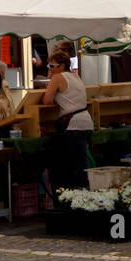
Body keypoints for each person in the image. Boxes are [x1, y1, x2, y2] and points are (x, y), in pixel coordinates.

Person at [41, 51, 94, 191]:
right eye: (49, 66)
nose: (50, 69)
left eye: (52, 66)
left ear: (62, 65)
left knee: (74, 168)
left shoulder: (57, 77)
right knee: (81, 164)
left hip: (73, 126)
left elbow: (47, 101)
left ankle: (79, 199)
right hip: (86, 122)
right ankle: (85, 196)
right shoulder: (76, 76)